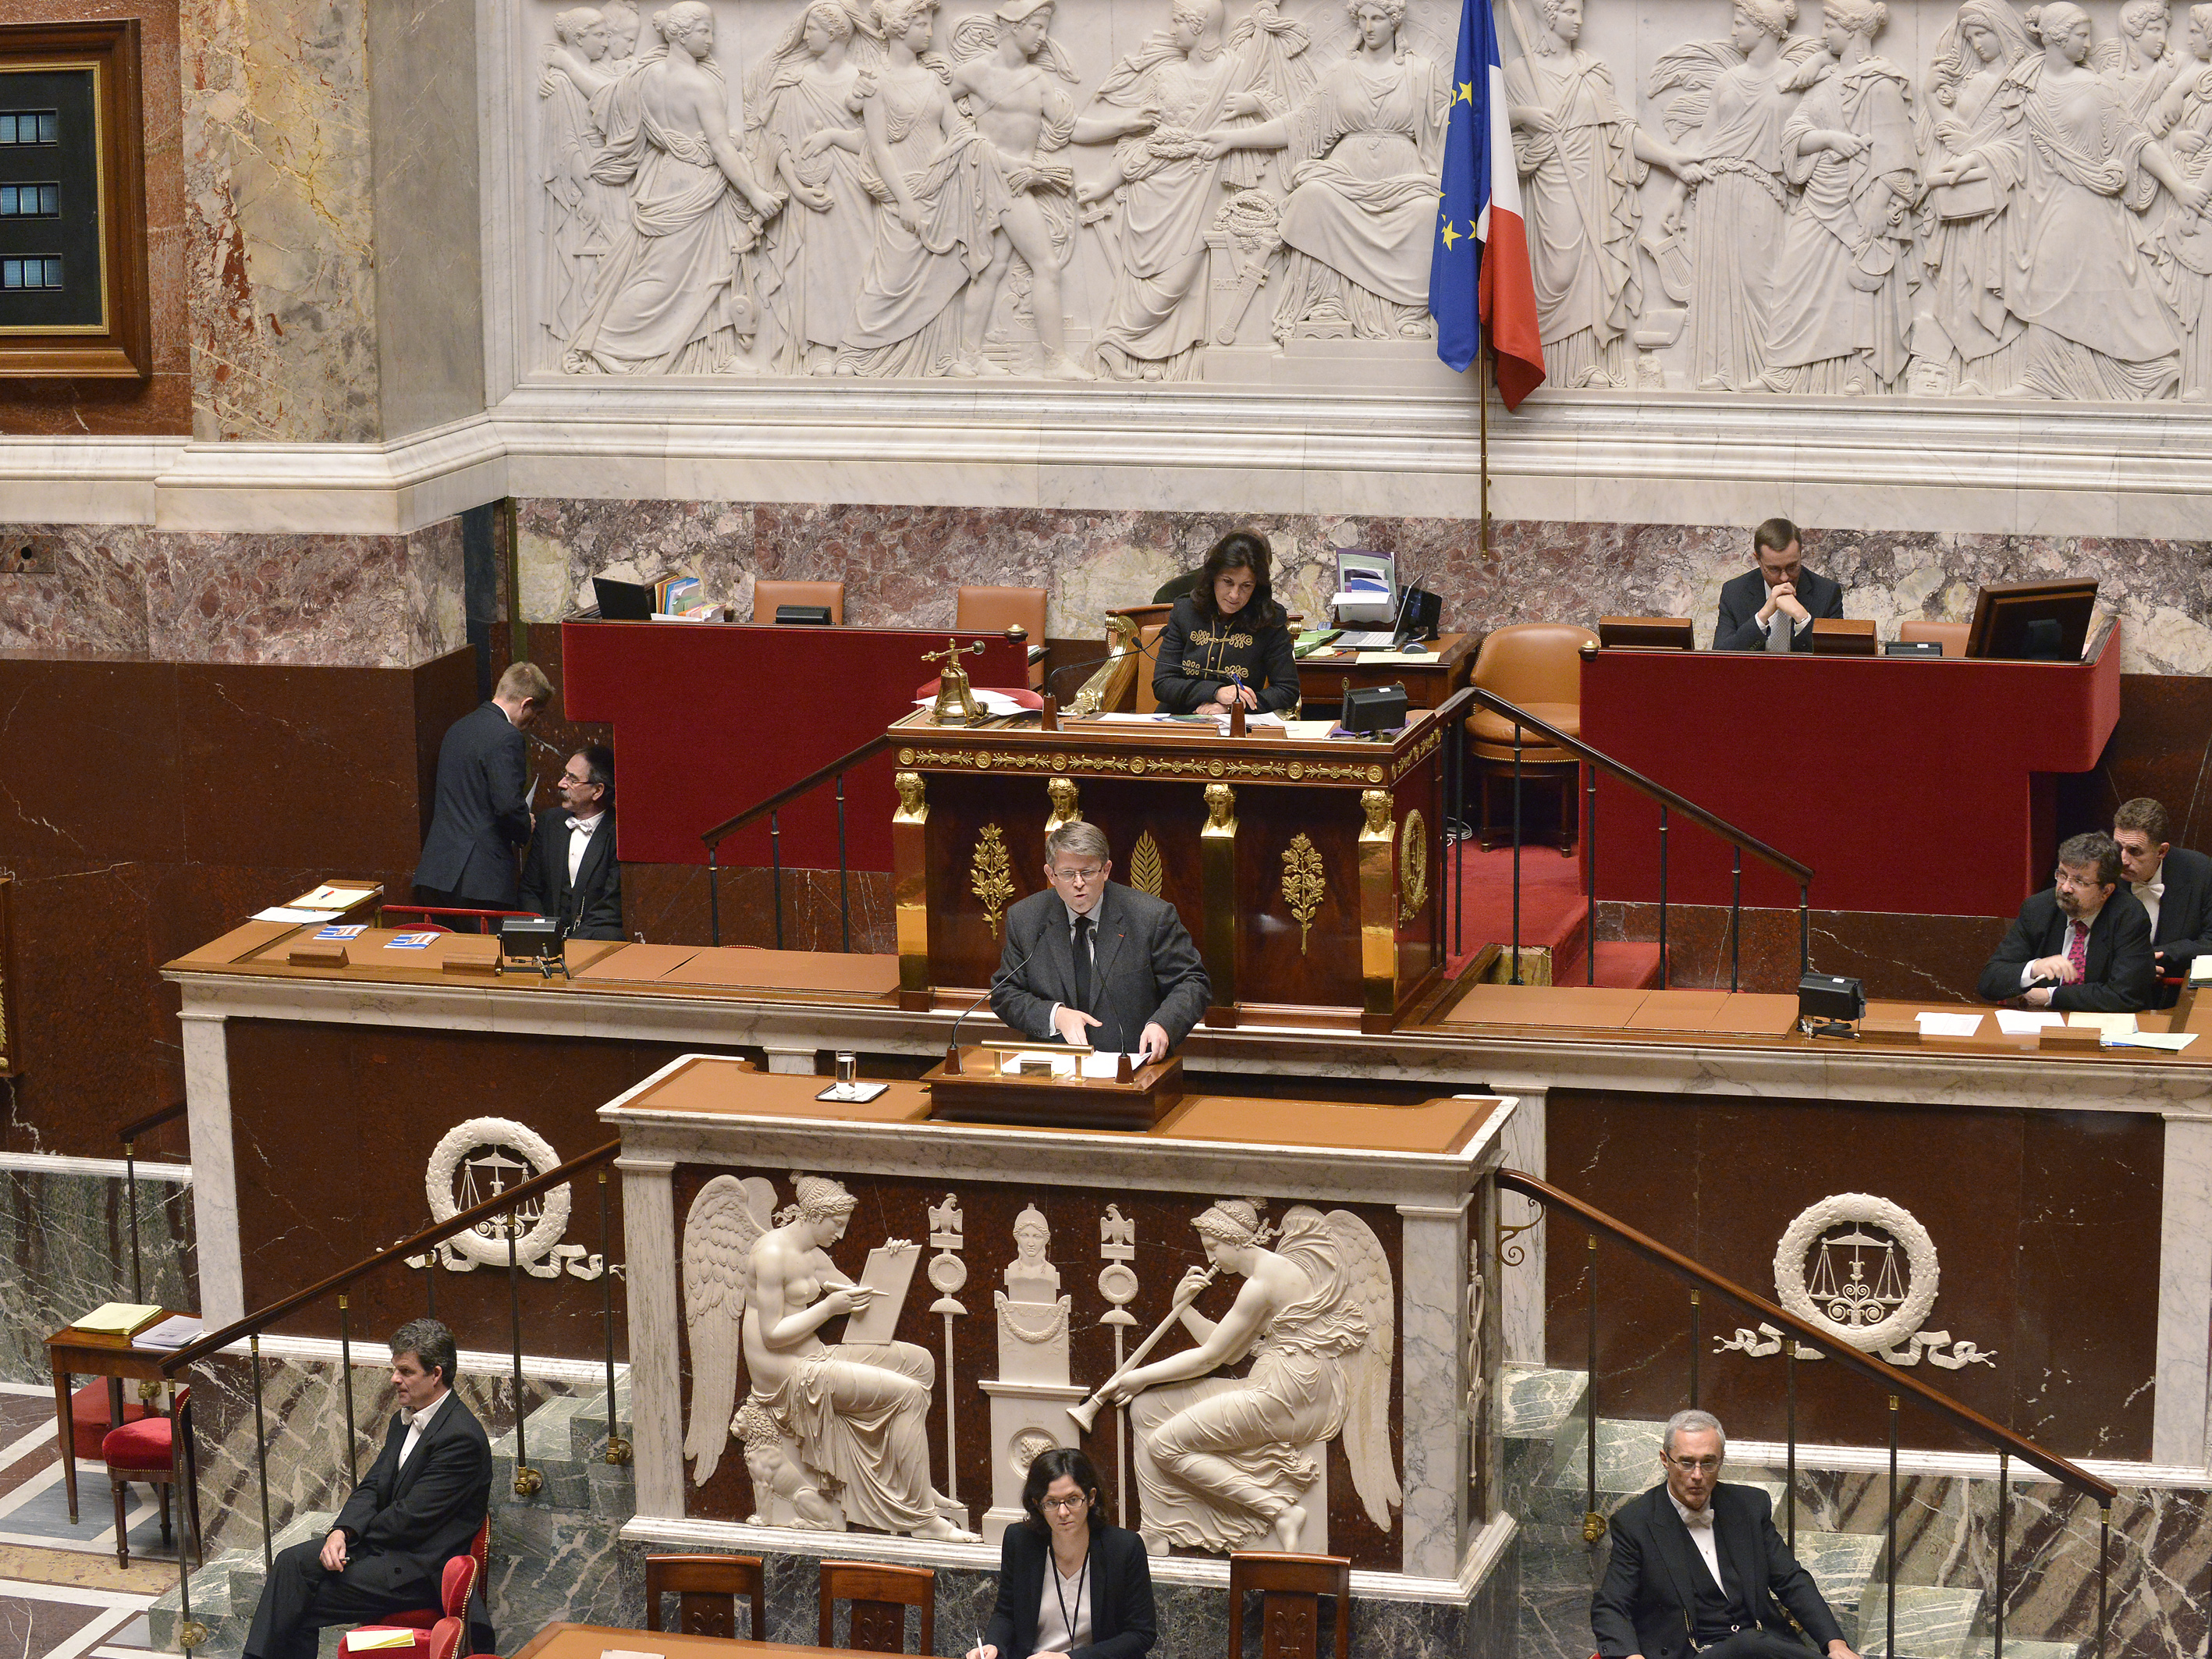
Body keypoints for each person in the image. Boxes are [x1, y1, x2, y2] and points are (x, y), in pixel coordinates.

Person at [243, 1320, 492, 1659]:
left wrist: (355, 1539)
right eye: (395, 1369)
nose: (394, 1379)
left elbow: (410, 1519)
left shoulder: (460, 1438)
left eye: (405, 1371)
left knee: (295, 1603)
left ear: (436, 1374)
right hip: (386, 1552)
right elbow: (372, 1486)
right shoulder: (401, 1421)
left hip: (418, 1571)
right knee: (289, 1563)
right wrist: (341, 1532)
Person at [1592, 1409, 1858, 1659]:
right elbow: (1611, 1605)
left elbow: (1791, 1580)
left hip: (1763, 1646)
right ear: (1665, 1460)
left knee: (1754, 1643)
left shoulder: (1748, 1507)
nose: (1697, 1475)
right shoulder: (1636, 1522)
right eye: (1686, 1463)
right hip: (1691, 1653)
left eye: (1708, 1463)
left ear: (1721, 1460)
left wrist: (1835, 1644)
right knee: (1749, 1643)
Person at [989, 821, 1210, 1063]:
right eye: (1067, 874)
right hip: (1055, 1069)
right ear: (1050, 875)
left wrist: (1164, 1024)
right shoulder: (1027, 919)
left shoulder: (1150, 917)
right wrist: (1055, 1016)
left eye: (1087, 872)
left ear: (1106, 870)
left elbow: (1191, 982)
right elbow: (1005, 993)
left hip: (1133, 1065)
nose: (1078, 883)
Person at [966, 1447, 1156, 1659]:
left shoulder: (1124, 1548)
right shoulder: (1020, 1541)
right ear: (1037, 1504)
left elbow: (1141, 1634)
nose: (1063, 1512)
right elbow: (1006, 1612)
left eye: (1073, 1500)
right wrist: (994, 1645)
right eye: (1052, 1503)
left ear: (1091, 1497)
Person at [414, 662, 552, 911]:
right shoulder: (507, 737)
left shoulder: (458, 728)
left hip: (436, 875)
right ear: (526, 704)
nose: (534, 722)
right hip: (480, 882)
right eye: (537, 714)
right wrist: (525, 825)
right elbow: (508, 805)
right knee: (486, 951)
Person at [1976, 831, 2157, 1011]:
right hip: (2042, 1025)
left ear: (2106, 891)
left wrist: (2051, 996)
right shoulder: (2038, 909)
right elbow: (1989, 981)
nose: (2066, 887)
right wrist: (2034, 968)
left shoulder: (2129, 916)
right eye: (2062, 875)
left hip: (2102, 1027)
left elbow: (2126, 995)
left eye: (2079, 881)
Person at [1151, 530, 1301, 714]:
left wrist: (1233, 706)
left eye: (1246, 586)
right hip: (1179, 719)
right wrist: (1216, 692)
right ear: (1213, 577)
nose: (1234, 595)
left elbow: (1287, 690)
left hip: (1237, 723)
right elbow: (1163, 683)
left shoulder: (1270, 618)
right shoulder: (1185, 611)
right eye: (1228, 582)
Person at [519, 744, 624, 940]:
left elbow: (610, 906)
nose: (561, 783)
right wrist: (543, 931)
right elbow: (530, 889)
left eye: (572, 779)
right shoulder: (549, 823)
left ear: (597, 791)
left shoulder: (619, 832)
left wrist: (576, 943)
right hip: (546, 940)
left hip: (595, 941)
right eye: (564, 775)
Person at [2113, 798, 2212, 987]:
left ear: (2162, 851)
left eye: (2135, 851)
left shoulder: (2202, 872)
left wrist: (2156, 957)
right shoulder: (2102, 870)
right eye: (2119, 847)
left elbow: (2210, 942)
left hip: (2175, 991)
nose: (2123, 860)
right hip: (2113, 989)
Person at [1712, 519, 1844, 652]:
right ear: (1758, 559)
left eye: (1792, 567)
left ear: (1800, 553)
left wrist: (1803, 618)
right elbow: (1720, 658)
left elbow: (1838, 659)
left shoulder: (1827, 593)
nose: (1784, 577)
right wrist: (1761, 617)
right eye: (1774, 569)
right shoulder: (1734, 592)